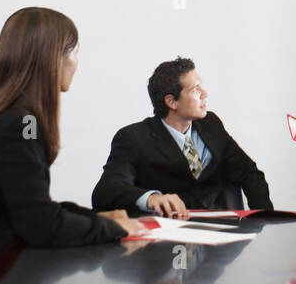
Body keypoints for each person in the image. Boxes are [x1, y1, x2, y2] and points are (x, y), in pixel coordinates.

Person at [0, 8, 142, 284]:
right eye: (74, 52)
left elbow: (29, 207)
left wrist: (95, 217)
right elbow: (40, 226)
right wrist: (111, 227)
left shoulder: (1, 115)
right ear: (52, 59)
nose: (76, 63)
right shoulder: (19, 126)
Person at [92, 58, 272, 216]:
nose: (205, 94)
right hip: (166, 242)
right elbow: (106, 191)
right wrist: (151, 198)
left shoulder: (211, 124)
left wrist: (264, 220)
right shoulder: (134, 138)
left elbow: (249, 173)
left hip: (218, 235)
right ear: (172, 102)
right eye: (195, 90)